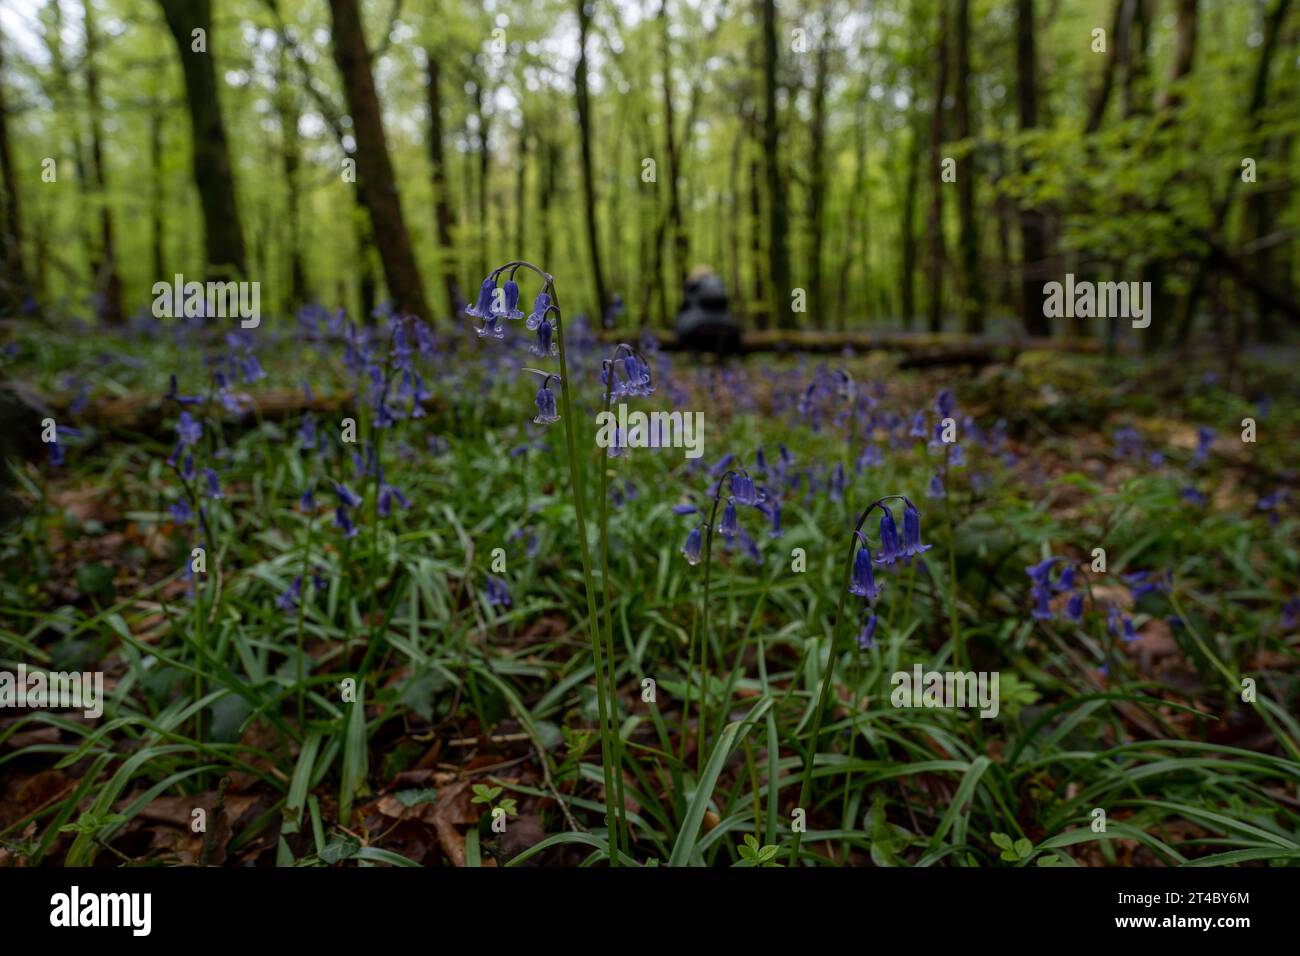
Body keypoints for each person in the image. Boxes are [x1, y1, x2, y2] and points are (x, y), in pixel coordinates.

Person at [674, 266, 741, 354]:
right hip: (726, 326)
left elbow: (684, 307)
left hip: (695, 327)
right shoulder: (719, 284)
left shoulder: (692, 284)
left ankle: (695, 357)